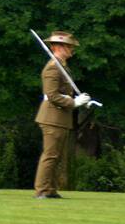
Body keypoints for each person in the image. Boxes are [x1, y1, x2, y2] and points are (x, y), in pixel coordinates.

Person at [35, 31, 90, 199]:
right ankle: (42, 190)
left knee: (57, 156)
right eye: (68, 46)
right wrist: (74, 103)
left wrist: (79, 100)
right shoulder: (53, 67)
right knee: (50, 155)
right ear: (57, 47)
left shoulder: (62, 66)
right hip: (52, 117)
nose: (71, 49)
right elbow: (52, 95)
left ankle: (50, 189)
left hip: (60, 118)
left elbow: (62, 93)